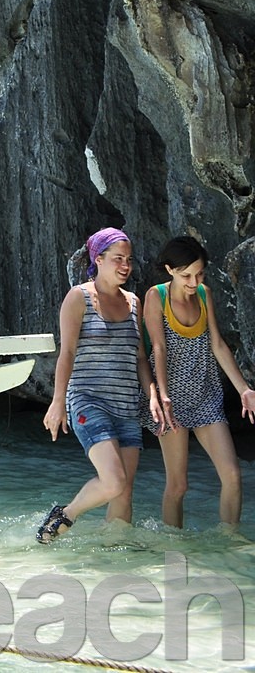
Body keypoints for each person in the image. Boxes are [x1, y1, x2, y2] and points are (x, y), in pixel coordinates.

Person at [36, 227, 164, 542]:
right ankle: (65, 514)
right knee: (113, 482)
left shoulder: (134, 302)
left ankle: (112, 556)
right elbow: (65, 353)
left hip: (126, 406)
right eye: (118, 259)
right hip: (88, 401)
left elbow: (139, 359)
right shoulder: (78, 297)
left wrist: (152, 395)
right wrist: (57, 401)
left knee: (124, 491)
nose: (125, 266)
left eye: (129, 260)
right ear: (99, 259)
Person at [143, 235, 255, 529]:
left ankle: (227, 544)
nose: (194, 282)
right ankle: (173, 553)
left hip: (206, 396)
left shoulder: (204, 294)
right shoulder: (156, 296)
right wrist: (163, 396)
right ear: (170, 270)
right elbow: (158, 348)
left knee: (232, 476)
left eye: (199, 274)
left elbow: (217, 344)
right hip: (171, 402)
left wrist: (244, 389)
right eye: (186, 276)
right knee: (178, 486)